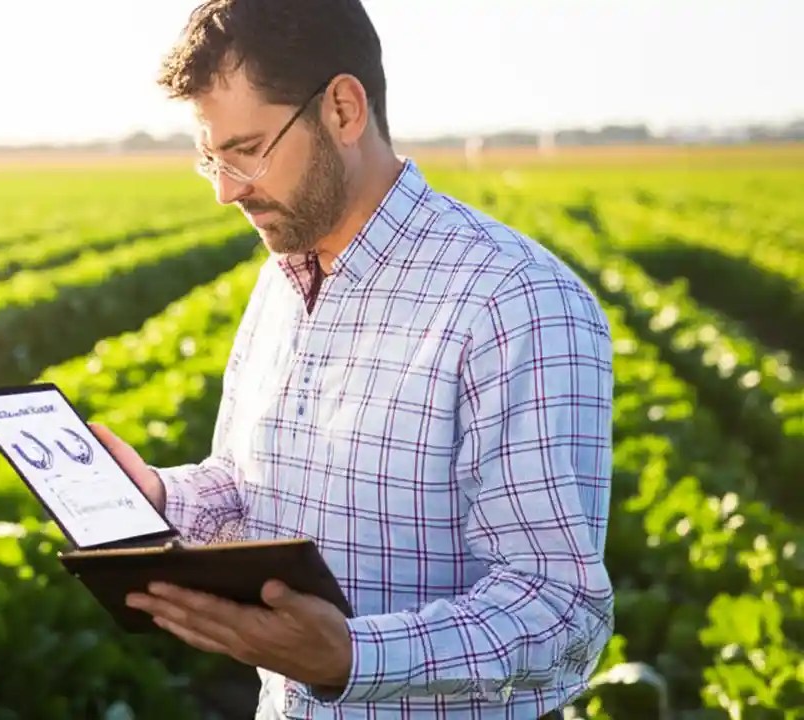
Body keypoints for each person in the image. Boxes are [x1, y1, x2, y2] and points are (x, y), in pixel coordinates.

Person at [88, 0, 615, 717]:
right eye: (209, 159)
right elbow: (249, 488)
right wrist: (158, 501)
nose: (224, 191)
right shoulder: (280, 282)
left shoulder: (512, 299)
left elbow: (560, 611)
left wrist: (353, 657)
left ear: (341, 108)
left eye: (245, 152)